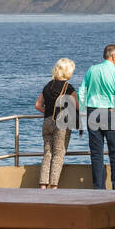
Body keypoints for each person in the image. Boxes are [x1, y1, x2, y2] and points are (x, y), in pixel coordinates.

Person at [79, 44, 115, 189]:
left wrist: (84, 108)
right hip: (110, 112)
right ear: (113, 56)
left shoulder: (92, 70)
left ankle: (98, 187)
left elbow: (82, 91)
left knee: (96, 152)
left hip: (93, 111)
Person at [35, 58, 78, 188]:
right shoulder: (68, 88)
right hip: (61, 124)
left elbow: (37, 105)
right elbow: (78, 107)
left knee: (47, 153)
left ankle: (43, 185)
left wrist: (49, 113)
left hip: (47, 122)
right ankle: (54, 186)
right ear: (68, 72)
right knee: (59, 154)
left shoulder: (47, 86)